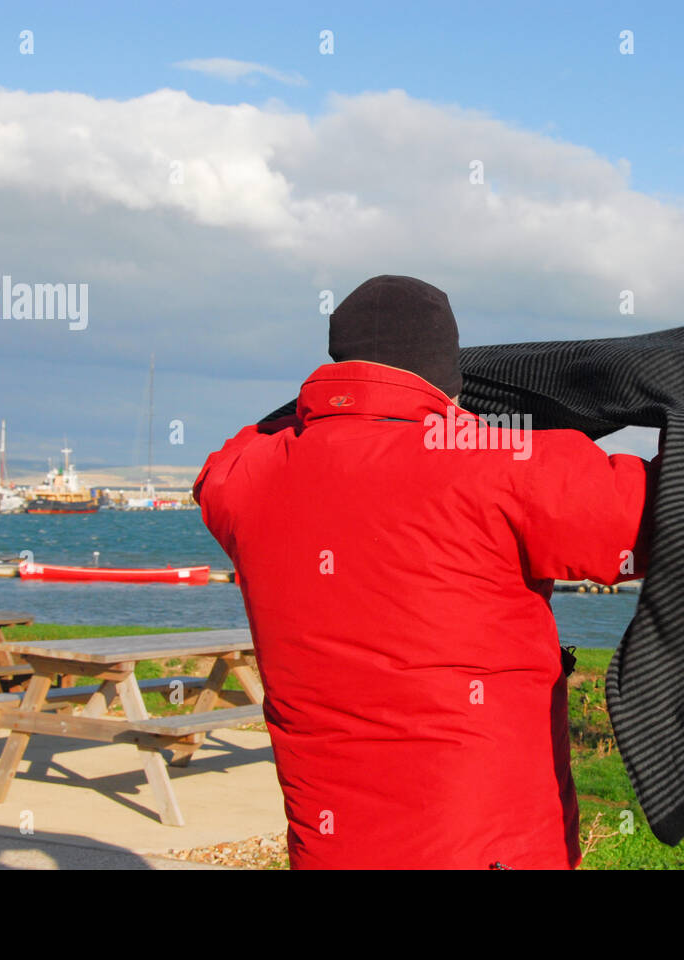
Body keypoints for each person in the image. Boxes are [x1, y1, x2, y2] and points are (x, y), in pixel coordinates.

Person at [194, 275, 656, 868]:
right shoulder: (500, 466)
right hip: (489, 847)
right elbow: (673, 511)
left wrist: (334, 406)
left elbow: (232, 456)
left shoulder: (246, 483)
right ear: (447, 374)